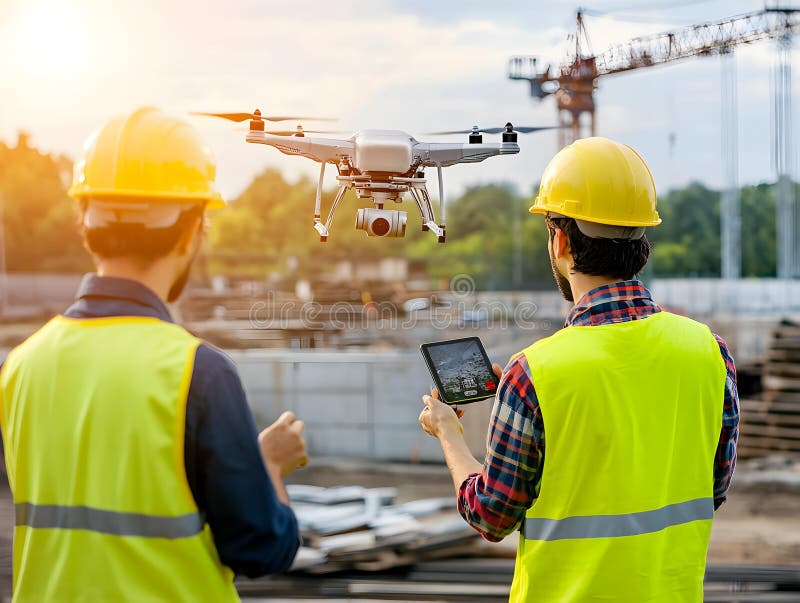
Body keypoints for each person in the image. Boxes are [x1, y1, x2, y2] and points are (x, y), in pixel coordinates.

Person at [0, 107, 307, 602]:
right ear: (192, 230)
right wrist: (268, 467)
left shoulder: (20, 365)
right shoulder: (198, 373)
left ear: (84, 221)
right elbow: (261, 549)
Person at [419, 137, 739, 602]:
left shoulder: (534, 373)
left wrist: (449, 434)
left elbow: (491, 515)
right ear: (641, 240)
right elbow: (711, 486)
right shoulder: (711, 351)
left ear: (561, 239)